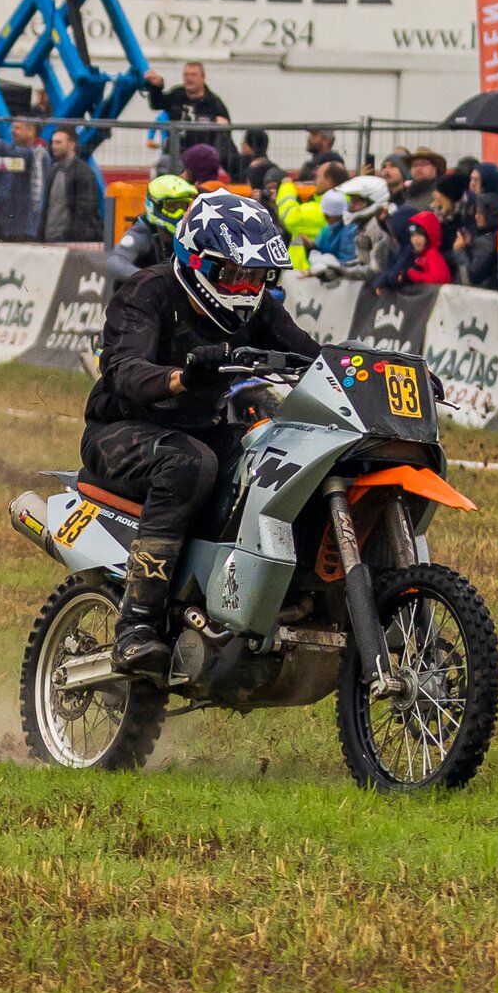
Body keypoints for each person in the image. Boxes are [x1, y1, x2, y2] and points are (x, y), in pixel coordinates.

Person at [83, 190, 320, 672]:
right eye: (231, 274)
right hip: (121, 430)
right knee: (190, 462)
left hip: (201, 429)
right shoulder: (146, 292)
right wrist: (183, 376)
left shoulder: (258, 310)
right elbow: (124, 372)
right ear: (195, 260)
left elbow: (314, 357)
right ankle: (137, 626)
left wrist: (381, 373)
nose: (243, 287)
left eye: (255, 276)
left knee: (279, 461)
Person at [111, 174, 196, 275]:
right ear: (154, 206)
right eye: (172, 207)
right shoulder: (141, 233)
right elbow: (116, 262)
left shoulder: (190, 232)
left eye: (184, 206)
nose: (181, 213)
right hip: (146, 289)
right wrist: (147, 278)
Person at [142, 61, 231, 155]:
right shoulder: (176, 94)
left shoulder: (213, 102)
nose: (189, 78)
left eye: (193, 75)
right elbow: (156, 104)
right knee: (161, 165)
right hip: (174, 155)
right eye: (186, 75)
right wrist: (156, 87)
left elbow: (226, 133)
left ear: (203, 77)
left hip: (201, 156)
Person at [41, 126, 101, 242]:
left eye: (58, 142)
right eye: (53, 142)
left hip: (69, 238)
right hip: (51, 235)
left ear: (71, 144)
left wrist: (71, 236)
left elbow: (85, 209)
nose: (54, 146)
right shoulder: (54, 170)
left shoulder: (83, 172)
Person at [371, 209, 452, 292]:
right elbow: (396, 268)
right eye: (412, 236)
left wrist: (413, 275)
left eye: (420, 235)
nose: (415, 239)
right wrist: (405, 277)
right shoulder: (417, 253)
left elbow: (440, 281)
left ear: (429, 235)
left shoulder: (432, 254)